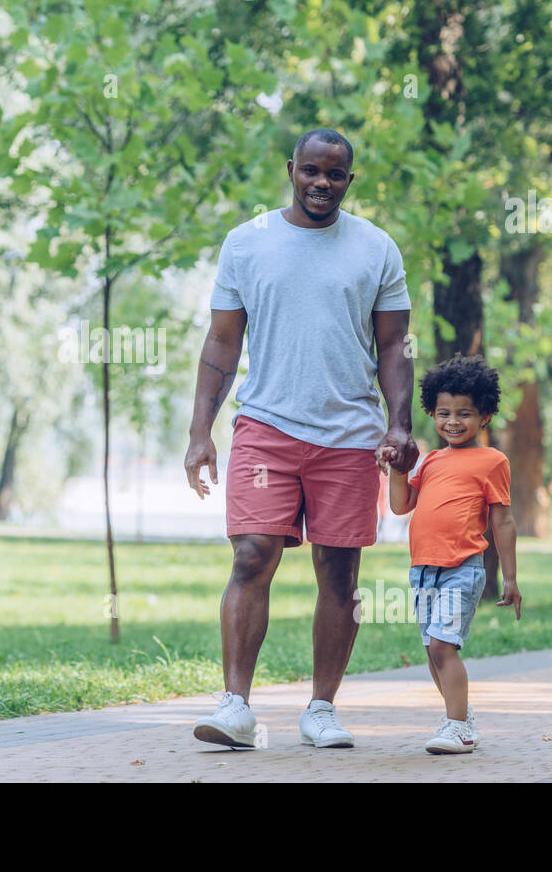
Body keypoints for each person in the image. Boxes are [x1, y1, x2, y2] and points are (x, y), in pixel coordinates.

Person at [184, 128, 417, 750]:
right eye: (310, 171)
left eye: (335, 174)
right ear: (292, 169)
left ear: (349, 179)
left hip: (349, 436)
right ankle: (235, 706)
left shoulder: (375, 247)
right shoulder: (247, 243)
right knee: (252, 554)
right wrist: (199, 431)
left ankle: (321, 708)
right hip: (267, 427)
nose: (321, 183)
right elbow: (222, 342)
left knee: (339, 573)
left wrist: (400, 422)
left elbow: (394, 344)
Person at [379, 354, 522, 754]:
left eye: (465, 414)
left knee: (444, 647)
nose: (453, 422)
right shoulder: (433, 460)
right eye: (444, 413)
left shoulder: (493, 461)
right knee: (432, 650)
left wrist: (510, 577)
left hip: (463, 567)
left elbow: (504, 523)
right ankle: (460, 716)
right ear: (431, 413)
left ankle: (457, 726)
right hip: (422, 570)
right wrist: (397, 468)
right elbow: (400, 505)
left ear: (485, 416)